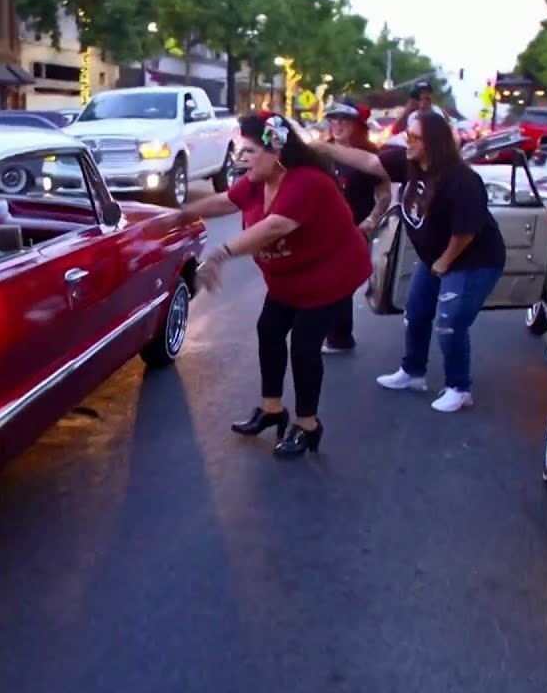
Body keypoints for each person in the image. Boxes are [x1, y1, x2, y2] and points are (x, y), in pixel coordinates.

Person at [146, 112, 371, 457]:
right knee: (269, 331)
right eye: (240, 150)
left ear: (276, 149)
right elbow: (226, 201)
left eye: (249, 150)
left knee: (305, 346)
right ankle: (272, 409)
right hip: (288, 279)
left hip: (329, 276)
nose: (242, 158)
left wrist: (220, 253)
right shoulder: (256, 181)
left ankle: (308, 425)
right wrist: (182, 214)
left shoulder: (307, 182)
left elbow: (274, 228)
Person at [313, 111, 507, 413]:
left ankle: (459, 387)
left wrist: (443, 262)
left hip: (472, 262)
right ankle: (413, 372)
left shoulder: (462, 180)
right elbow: (368, 162)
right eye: (408, 135)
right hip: (435, 260)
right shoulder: (411, 164)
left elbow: (466, 232)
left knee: (450, 323)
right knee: (415, 313)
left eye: (415, 137)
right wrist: (324, 148)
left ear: (434, 142)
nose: (408, 142)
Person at [320, 98, 392, 354]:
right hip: (321, 228)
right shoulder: (322, 151)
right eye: (333, 119)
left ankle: (339, 336)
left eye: (344, 120)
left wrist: (372, 219)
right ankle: (334, 333)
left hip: (354, 228)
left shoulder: (370, 155)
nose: (337, 125)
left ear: (356, 124)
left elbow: (384, 193)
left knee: (339, 281)